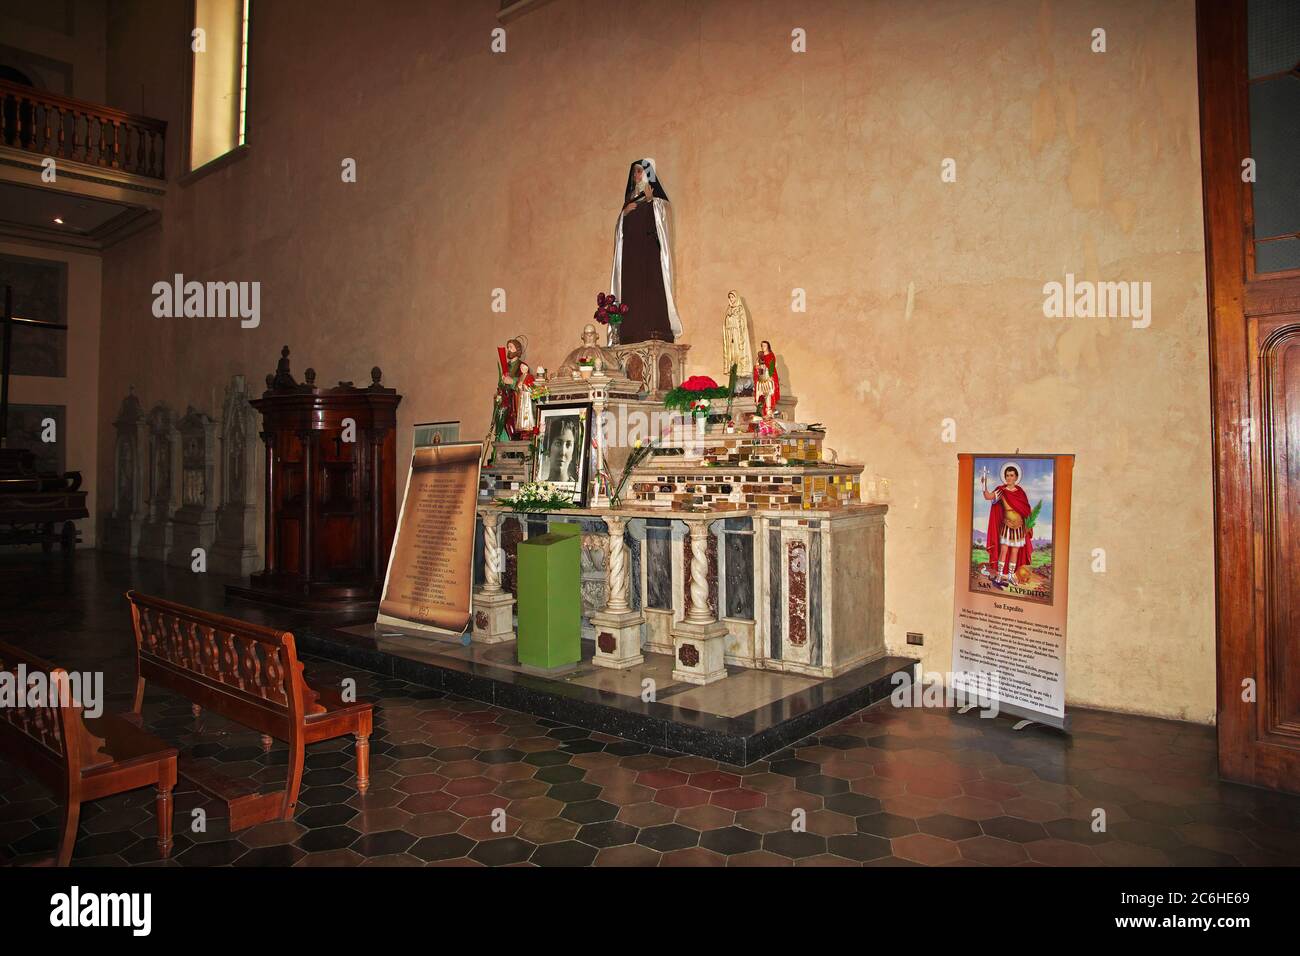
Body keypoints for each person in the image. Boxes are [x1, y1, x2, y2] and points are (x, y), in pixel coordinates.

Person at [610, 158, 682, 343]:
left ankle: (653, 327)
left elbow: (662, 222)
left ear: (648, 173)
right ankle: (629, 331)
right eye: (634, 172)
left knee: (651, 292)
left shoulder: (656, 199)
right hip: (631, 258)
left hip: (649, 255)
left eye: (640, 171)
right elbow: (620, 234)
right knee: (632, 293)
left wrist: (651, 201)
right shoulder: (628, 201)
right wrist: (624, 214)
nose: (636, 175)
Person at [982, 463, 1034, 586]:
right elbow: (988, 496)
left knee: (1015, 551)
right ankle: (1000, 575)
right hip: (1007, 526)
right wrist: (983, 485)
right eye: (1007, 476)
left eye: (1011, 475)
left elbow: (1026, 509)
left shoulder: (1020, 492)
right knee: (1004, 550)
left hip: (1019, 527)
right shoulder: (1001, 491)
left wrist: (1028, 522)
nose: (1009, 478)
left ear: (1016, 477)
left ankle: (1010, 575)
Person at [543, 417, 581, 484]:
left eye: (568, 445)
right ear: (548, 448)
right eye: (558, 443)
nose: (563, 452)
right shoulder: (538, 487)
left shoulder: (577, 487)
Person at [753, 340, 780, 416]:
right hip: (761, 379)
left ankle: (769, 411)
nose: (763, 347)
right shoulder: (759, 356)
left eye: (764, 345)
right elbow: (756, 366)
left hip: (768, 378)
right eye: (762, 346)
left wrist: (770, 375)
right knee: (761, 395)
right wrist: (757, 367)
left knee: (769, 395)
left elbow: (771, 366)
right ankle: (762, 411)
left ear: (768, 346)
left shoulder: (771, 355)